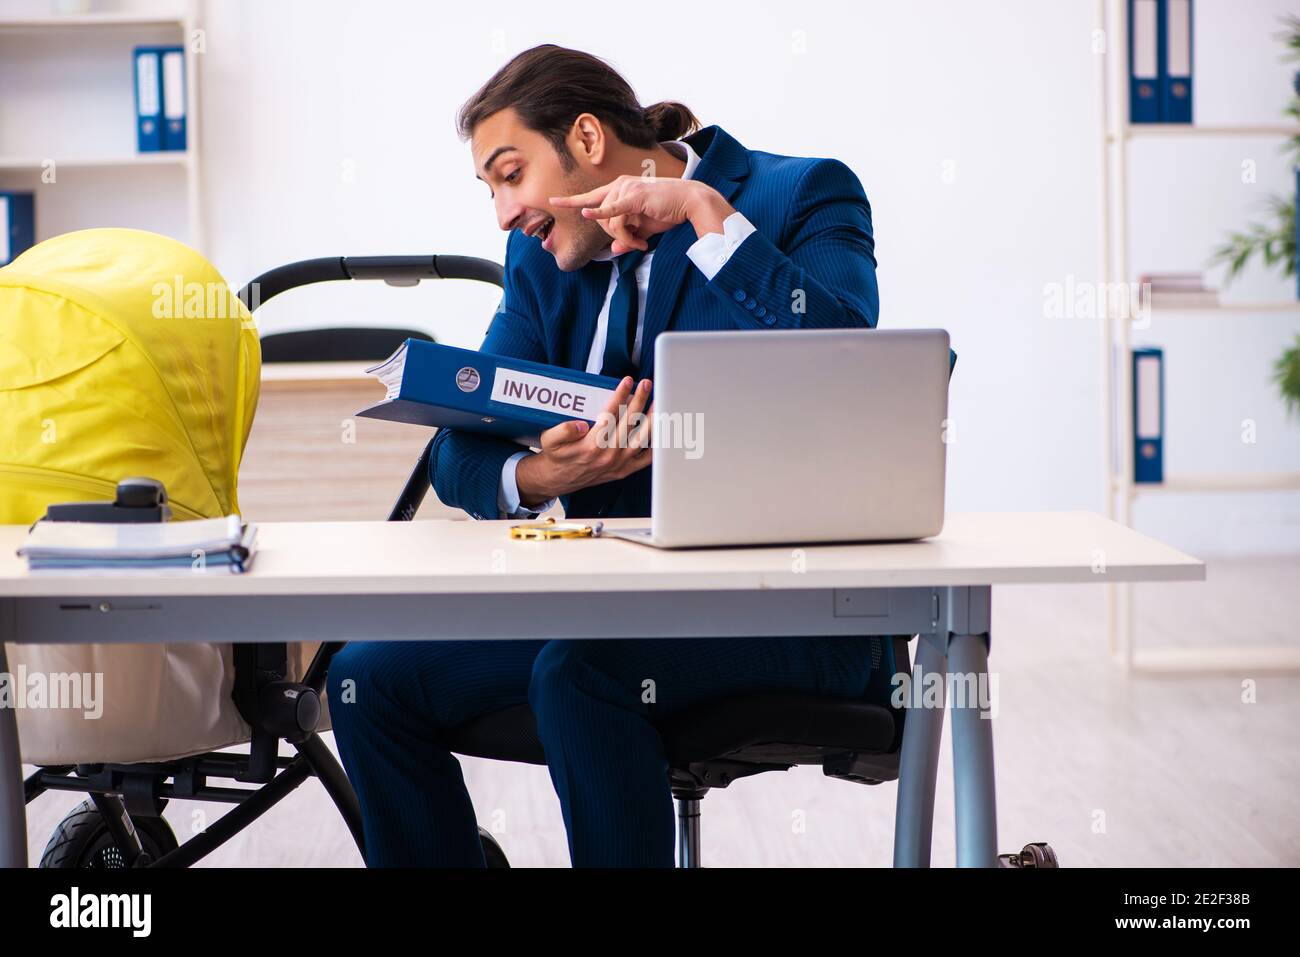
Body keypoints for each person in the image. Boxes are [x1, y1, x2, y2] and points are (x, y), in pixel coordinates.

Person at [327, 43, 885, 867]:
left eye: (510, 175)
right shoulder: (543, 258)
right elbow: (460, 448)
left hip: (787, 608)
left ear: (586, 140)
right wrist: (540, 475)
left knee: (577, 673)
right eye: (489, 189)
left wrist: (702, 214)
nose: (504, 214)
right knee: (364, 680)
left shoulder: (797, 193)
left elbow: (851, 363)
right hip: (605, 606)